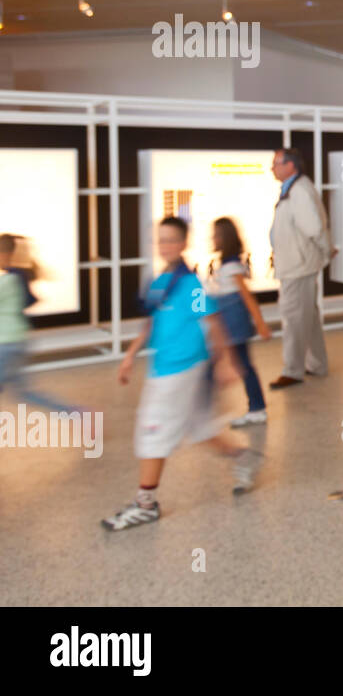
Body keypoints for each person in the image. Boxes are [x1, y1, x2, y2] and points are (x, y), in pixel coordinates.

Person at [102, 217, 261, 531]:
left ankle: (145, 504)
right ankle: (245, 457)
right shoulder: (160, 281)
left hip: (182, 368)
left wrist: (227, 360)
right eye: (161, 240)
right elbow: (150, 322)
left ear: (184, 243)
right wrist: (131, 354)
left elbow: (212, 320)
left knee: (151, 432)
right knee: (200, 429)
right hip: (164, 365)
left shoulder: (191, 285)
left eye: (172, 240)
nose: (166, 246)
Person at [268, 147, 331, 388]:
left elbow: (314, 227)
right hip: (297, 263)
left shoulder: (300, 191)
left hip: (298, 266)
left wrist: (324, 249)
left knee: (294, 318)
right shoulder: (294, 189)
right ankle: (317, 363)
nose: (272, 168)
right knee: (309, 317)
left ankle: (293, 371)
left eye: (276, 163)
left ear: (290, 166)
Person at [209, 217, 272, 427]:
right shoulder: (226, 265)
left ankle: (257, 408)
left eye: (216, 234)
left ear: (224, 238)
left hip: (234, 323)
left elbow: (247, 297)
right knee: (237, 363)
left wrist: (260, 323)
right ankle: (254, 407)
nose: (213, 238)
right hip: (228, 322)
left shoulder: (232, 266)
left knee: (242, 364)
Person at [0, 234, 72, 410]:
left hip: (6, 345)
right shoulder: (19, 276)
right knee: (25, 393)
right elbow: (31, 300)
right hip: (18, 341)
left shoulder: (7, 281)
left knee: (24, 392)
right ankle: (76, 413)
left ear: (5, 253)